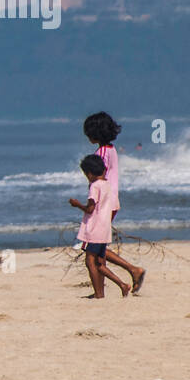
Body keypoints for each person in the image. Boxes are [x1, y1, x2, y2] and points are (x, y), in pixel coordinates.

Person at [82, 111, 145, 293]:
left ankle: (133, 270)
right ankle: (100, 290)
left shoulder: (101, 153)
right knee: (97, 247)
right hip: (111, 202)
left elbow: (99, 182)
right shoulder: (111, 150)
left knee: (93, 248)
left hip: (104, 204)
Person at [69, 154, 130, 298]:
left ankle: (102, 292)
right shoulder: (107, 185)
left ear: (89, 173)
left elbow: (90, 209)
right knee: (99, 263)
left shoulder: (94, 186)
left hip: (95, 229)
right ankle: (119, 286)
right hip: (104, 228)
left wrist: (77, 204)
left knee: (90, 261)